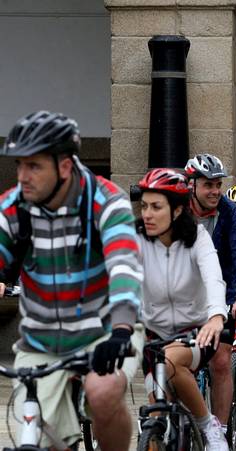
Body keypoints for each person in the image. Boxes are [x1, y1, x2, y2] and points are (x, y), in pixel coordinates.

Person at [0, 111, 144, 450]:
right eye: (20, 165)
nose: (22, 177)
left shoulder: (106, 201)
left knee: (103, 390)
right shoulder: (14, 208)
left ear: (64, 166)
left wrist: (122, 329)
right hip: (40, 342)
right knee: (34, 435)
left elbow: (124, 267)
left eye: (34, 166)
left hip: (106, 331)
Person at [135, 168, 229, 450]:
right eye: (143, 206)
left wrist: (215, 316)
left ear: (176, 210)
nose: (147, 214)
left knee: (172, 362)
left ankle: (207, 425)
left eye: (156, 207)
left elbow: (214, 277)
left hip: (197, 331)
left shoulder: (198, 238)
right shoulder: (136, 240)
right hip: (154, 334)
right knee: (156, 414)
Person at [185, 153, 236, 435]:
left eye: (218, 184)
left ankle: (220, 430)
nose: (215, 191)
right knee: (173, 360)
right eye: (208, 185)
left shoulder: (230, 212)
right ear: (191, 185)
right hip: (185, 294)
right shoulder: (176, 208)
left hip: (224, 293)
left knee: (220, 359)